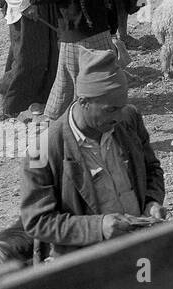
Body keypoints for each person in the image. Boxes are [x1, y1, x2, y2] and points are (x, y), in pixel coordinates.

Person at [19, 48, 164, 256]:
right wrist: (99, 227)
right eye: (110, 109)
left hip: (140, 252)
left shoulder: (129, 119)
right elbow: (38, 221)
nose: (119, 116)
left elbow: (152, 169)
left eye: (122, 107)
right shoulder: (40, 151)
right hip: (88, 263)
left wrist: (152, 201)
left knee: (146, 283)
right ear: (83, 102)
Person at [28, 0, 118, 121]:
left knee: (66, 86)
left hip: (75, 44)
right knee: (100, 80)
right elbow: (111, 4)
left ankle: (67, 119)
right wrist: (112, 32)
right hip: (102, 38)